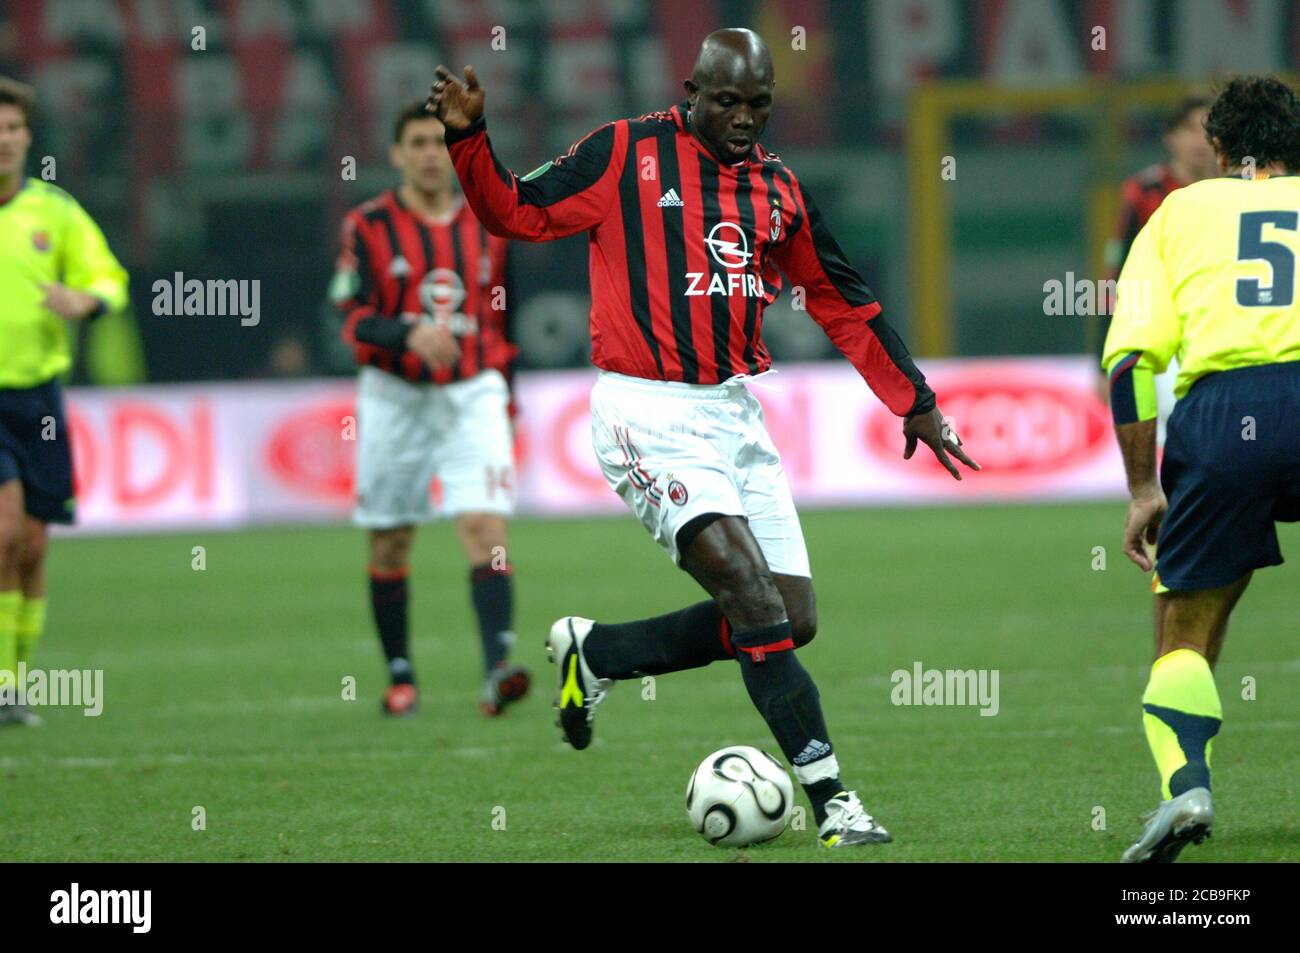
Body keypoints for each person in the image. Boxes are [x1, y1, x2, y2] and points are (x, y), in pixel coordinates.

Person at [429, 29, 978, 847]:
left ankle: (598, 651)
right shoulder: (624, 153)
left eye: (759, 104)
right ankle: (833, 799)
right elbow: (513, 211)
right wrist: (470, 137)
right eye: (727, 101)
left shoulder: (779, 189)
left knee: (790, 614)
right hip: (645, 412)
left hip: (733, 413)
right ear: (692, 92)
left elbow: (841, 300)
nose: (744, 118)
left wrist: (915, 399)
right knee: (751, 595)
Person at [1103, 75, 1300, 862]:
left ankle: (1187, 785)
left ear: (1218, 148)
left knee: (1183, 628)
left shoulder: (1176, 212)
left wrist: (1142, 488)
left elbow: (1130, 364)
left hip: (1224, 419)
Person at [331, 103, 528, 718]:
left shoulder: (490, 222)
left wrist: (509, 393)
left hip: (474, 391)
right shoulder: (367, 225)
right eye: (417, 143)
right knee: (392, 539)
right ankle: (401, 676)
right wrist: (407, 333)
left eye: (440, 143)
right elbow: (349, 315)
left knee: (486, 528)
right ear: (396, 154)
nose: (430, 155)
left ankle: (496, 672)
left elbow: (505, 315)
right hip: (395, 394)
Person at [0, 76, 129, 725]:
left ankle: (14, 685)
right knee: (3, 533)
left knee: (32, 546)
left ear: (28, 137)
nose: (3, 139)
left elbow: (109, 276)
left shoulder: (54, 210)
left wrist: (88, 300)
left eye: (13, 128)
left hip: (40, 399)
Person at [1091, 95, 1218, 412]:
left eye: (1208, 130)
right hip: (1161, 341)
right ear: (1170, 137)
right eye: (1190, 129)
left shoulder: (1234, 191)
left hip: (1217, 338)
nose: (1200, 140)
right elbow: (1115, 276)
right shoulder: (1144, 193)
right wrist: (1103, 361)